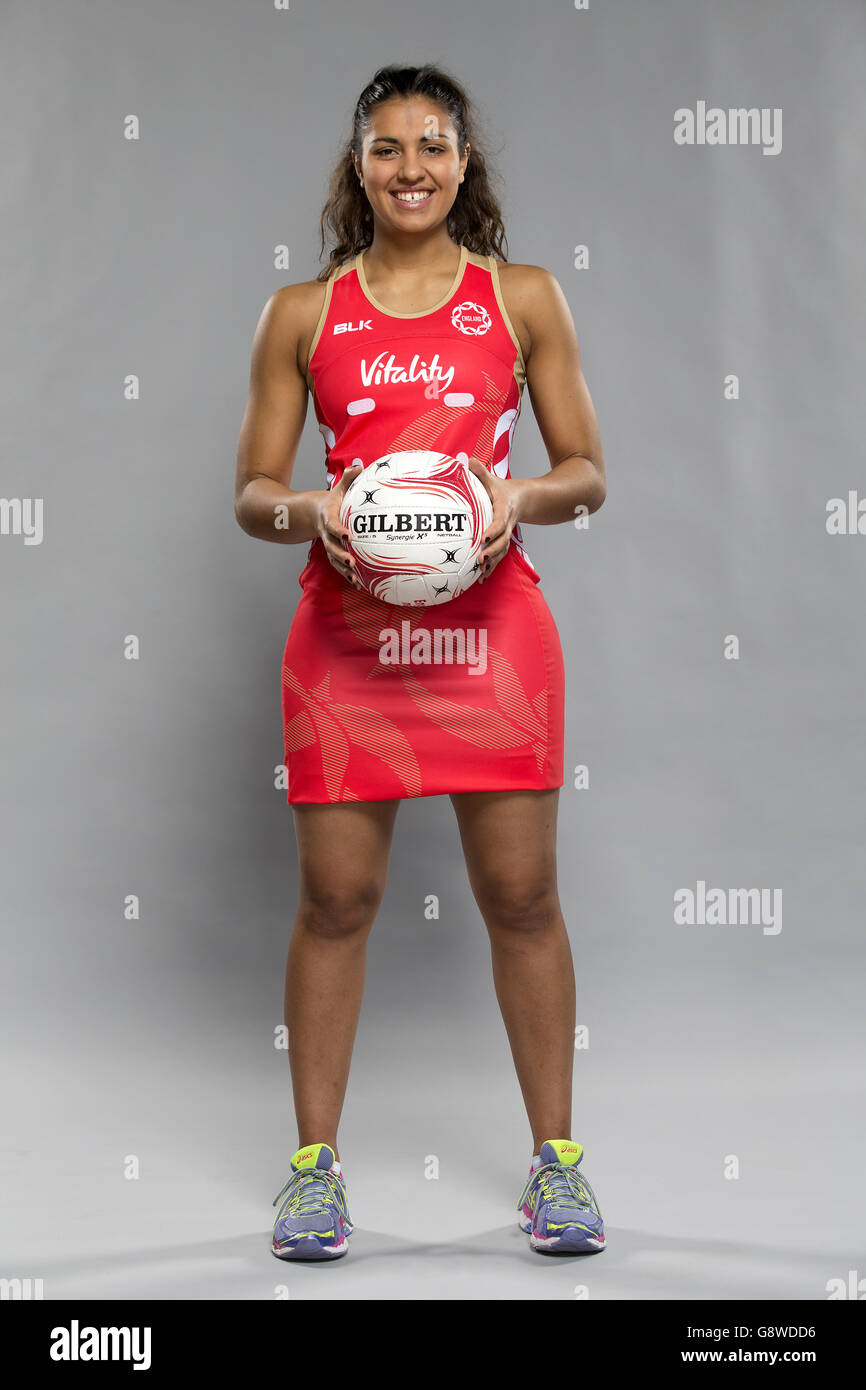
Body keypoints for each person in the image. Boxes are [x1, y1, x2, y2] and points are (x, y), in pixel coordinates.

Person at [234, 63, 607, 1261]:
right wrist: (311, 510)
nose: (410, 170)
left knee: (522, 898)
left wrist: (521, 494)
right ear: (358, 167)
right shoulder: (301, 312)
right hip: (345, 644)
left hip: (491, 641)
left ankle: (555, 1166)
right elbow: (248, 492)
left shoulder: (522, 297)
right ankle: (312, 1173)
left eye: (431, 147)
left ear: (462, 163)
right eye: (386, 150)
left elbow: (587, 469)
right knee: (336, 903)